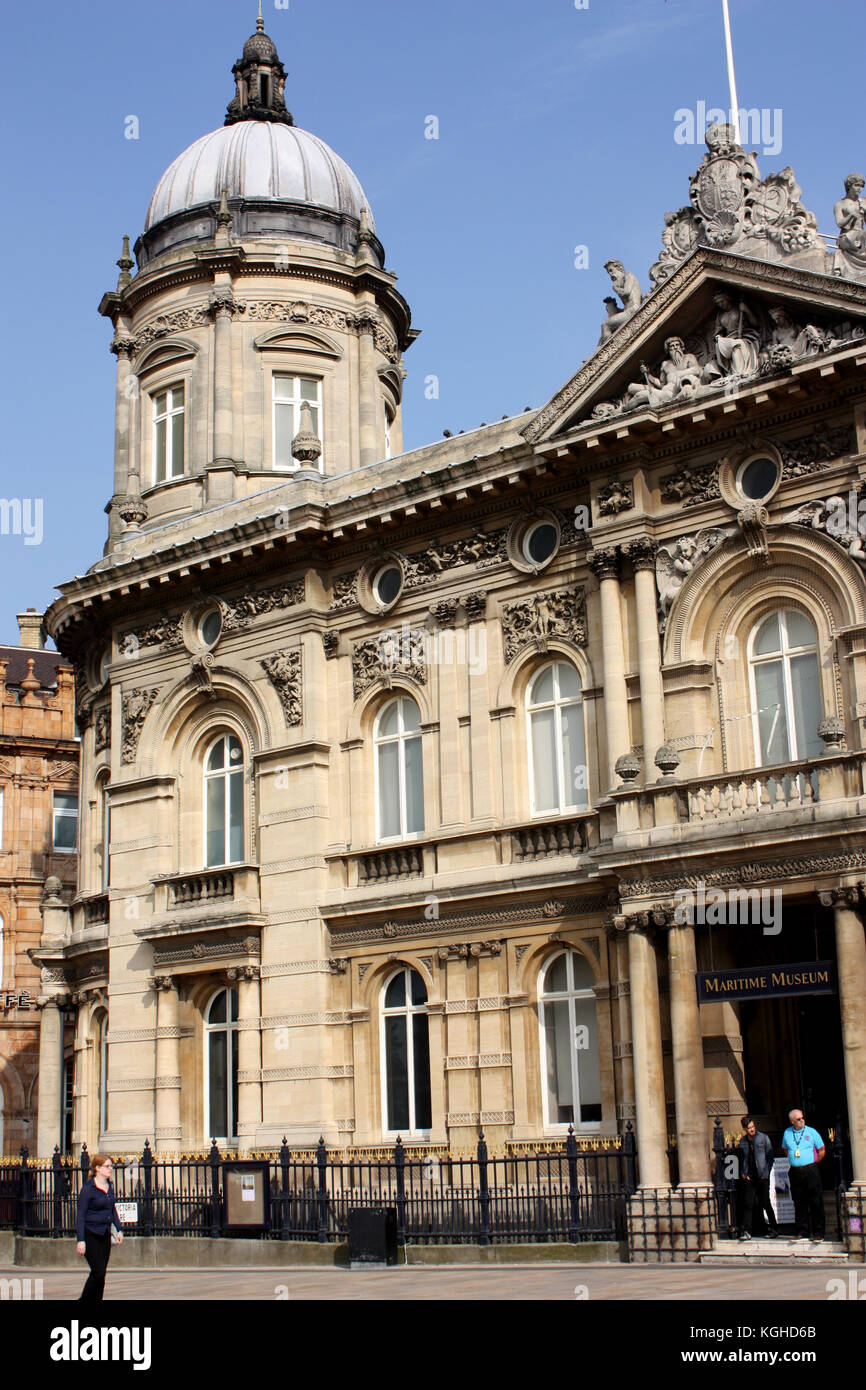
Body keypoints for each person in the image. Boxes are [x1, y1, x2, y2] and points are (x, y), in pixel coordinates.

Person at [76, 1153, 123, 1301]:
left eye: (111, 1166)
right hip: (91, 1233)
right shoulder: (88, 1189)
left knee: (101, 1274)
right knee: (98, 1271)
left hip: (104, 1233)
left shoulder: (109, 1186)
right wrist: (81, 1240)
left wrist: (119, 1229)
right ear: (97, 1168)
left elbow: (111, 1209)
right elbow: (81, 1215)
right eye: (107, 1166)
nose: (110, 1169)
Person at [780, 1109, 825, 1244]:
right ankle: (802, 1231)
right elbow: (785, 1149)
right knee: (799, 1201)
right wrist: (794, 1159)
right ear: (792, 1121)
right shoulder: (787, 1133)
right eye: (798, 1119)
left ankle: (818, 1232)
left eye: (802, 1118)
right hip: (795, 1171)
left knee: (815, 1201)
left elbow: (821, 1150)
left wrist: (813, 1162)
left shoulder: (811, 1132)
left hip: (810, 1170)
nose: (801, 1120)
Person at [737, 1116, 778, 1240]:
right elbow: (741, 1158)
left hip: (762, 1176)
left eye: (753, 1127)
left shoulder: (763, 1138)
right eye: (749, 1128)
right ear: (744, 1129)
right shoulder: (743, 1141)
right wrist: (743, 1173)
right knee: (748, 1204)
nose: (752, 1130)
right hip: (750, 1176)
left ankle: (774, 1229)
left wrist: (766, 1173)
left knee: (765, 1202)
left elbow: (770, 1157)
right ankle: (747, 1231)